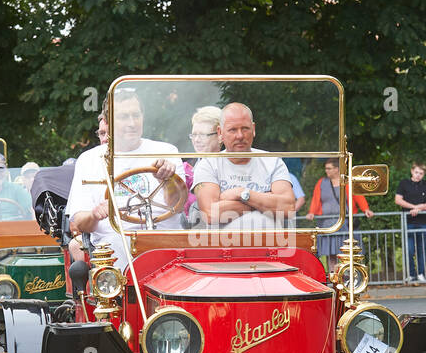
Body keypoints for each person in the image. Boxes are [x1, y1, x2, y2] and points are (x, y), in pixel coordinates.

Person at [67, 87, 183, 263]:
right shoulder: (89, 160)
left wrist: (168, 182)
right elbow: (81, 221)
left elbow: (178, 206)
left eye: (136, 115)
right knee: (115, 245)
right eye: (123, 117)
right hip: (114, 246)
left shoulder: (166, 152)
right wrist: (95, 215)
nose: (132, 123)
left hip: (165, 241)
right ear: (108, 121)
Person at [193, 103, 295, 232]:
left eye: (245, 128)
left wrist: (242, 193)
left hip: (273, 250)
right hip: (223, 250)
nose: (240, 136)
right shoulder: (207, 165)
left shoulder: (272, 161)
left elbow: (288, 207)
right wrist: (264, 202)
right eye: (233, 130)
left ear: (253, 129)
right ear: (220, 133)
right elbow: (210, 214)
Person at [307, 158, 372, 271]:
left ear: (337, 169)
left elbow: (357, 196)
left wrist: (365, 209)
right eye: (326, 168)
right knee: (330, 253)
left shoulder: (347, 182)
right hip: (327, 223)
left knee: (346, 252)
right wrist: (311, 212)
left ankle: (346, 275)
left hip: (344, 223)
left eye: (329, 168)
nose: (326, 170)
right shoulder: (321, 182)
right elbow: (316, 199)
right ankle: (334, 276)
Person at [395, 162, 426, 283]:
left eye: (421, 173)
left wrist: (421, 208)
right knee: (410, 249)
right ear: (412, 171)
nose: (418, 175)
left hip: (423, 222)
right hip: (408, 221)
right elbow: (398, 200)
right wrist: (414, 207)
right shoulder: (404, 183)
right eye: (416, 172)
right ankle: (411, 275)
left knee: (422, 249)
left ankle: (421, 274)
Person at [183, 106, 222, 222]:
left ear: (220, 135)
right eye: (194, 135)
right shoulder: (185, 170)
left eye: (203, 135)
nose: (196, 140)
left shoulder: (232, 168)